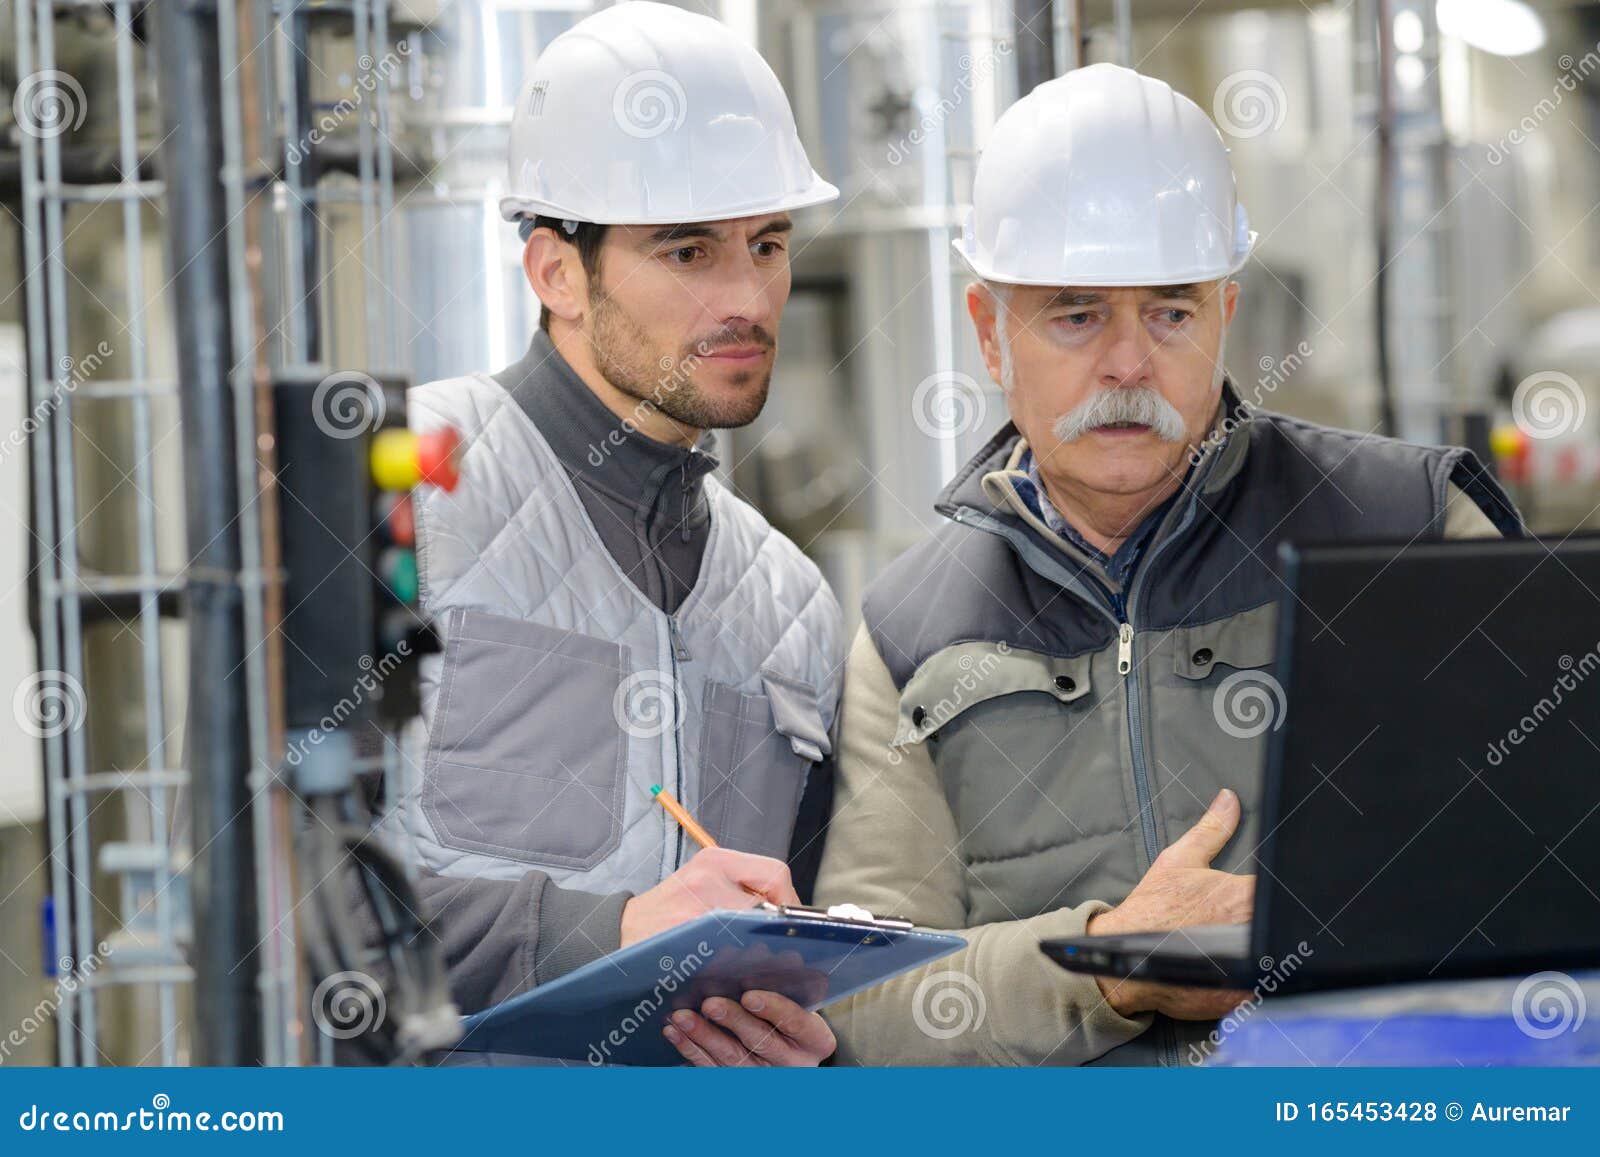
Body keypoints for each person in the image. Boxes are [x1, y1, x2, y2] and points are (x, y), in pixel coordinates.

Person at [812, 63, 1523, 1066]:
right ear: (988, 332)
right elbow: (865, 1000)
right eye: (1074, 312)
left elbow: (1548, 870)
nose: (1127, 363)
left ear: (1225, 313)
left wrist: (1308, 930)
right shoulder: (909, 631)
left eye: (1170, 311)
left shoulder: (1408, 527)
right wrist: (1103, 966)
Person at [377, 2, 844, 1066]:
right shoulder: (402, 476)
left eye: (765, 244)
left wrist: (802, 1031)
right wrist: (612, 934)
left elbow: (807, 936)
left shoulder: (792, 604)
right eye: (687, 250)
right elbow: (272, 891)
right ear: (555, 272)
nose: (745, 298)